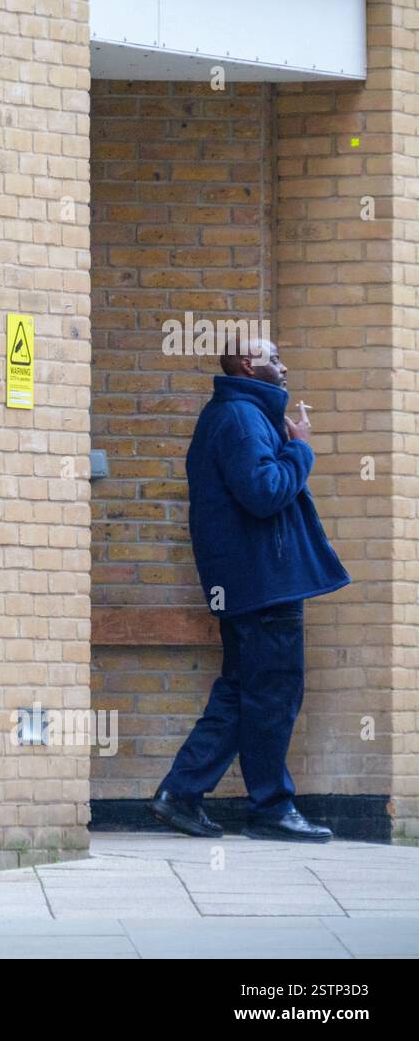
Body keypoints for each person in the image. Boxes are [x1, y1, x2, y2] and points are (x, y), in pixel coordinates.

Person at [149, 337, 350, 842]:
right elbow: (264, 493)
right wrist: (301, 449)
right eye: (273, 358)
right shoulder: (240, 417)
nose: (283, 366)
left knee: (242, 694)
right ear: (245, 364)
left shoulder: (237, 414)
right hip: (265, 583)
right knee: (274, 696)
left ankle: (181, 793)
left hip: (250, 581)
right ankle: (271, 809)